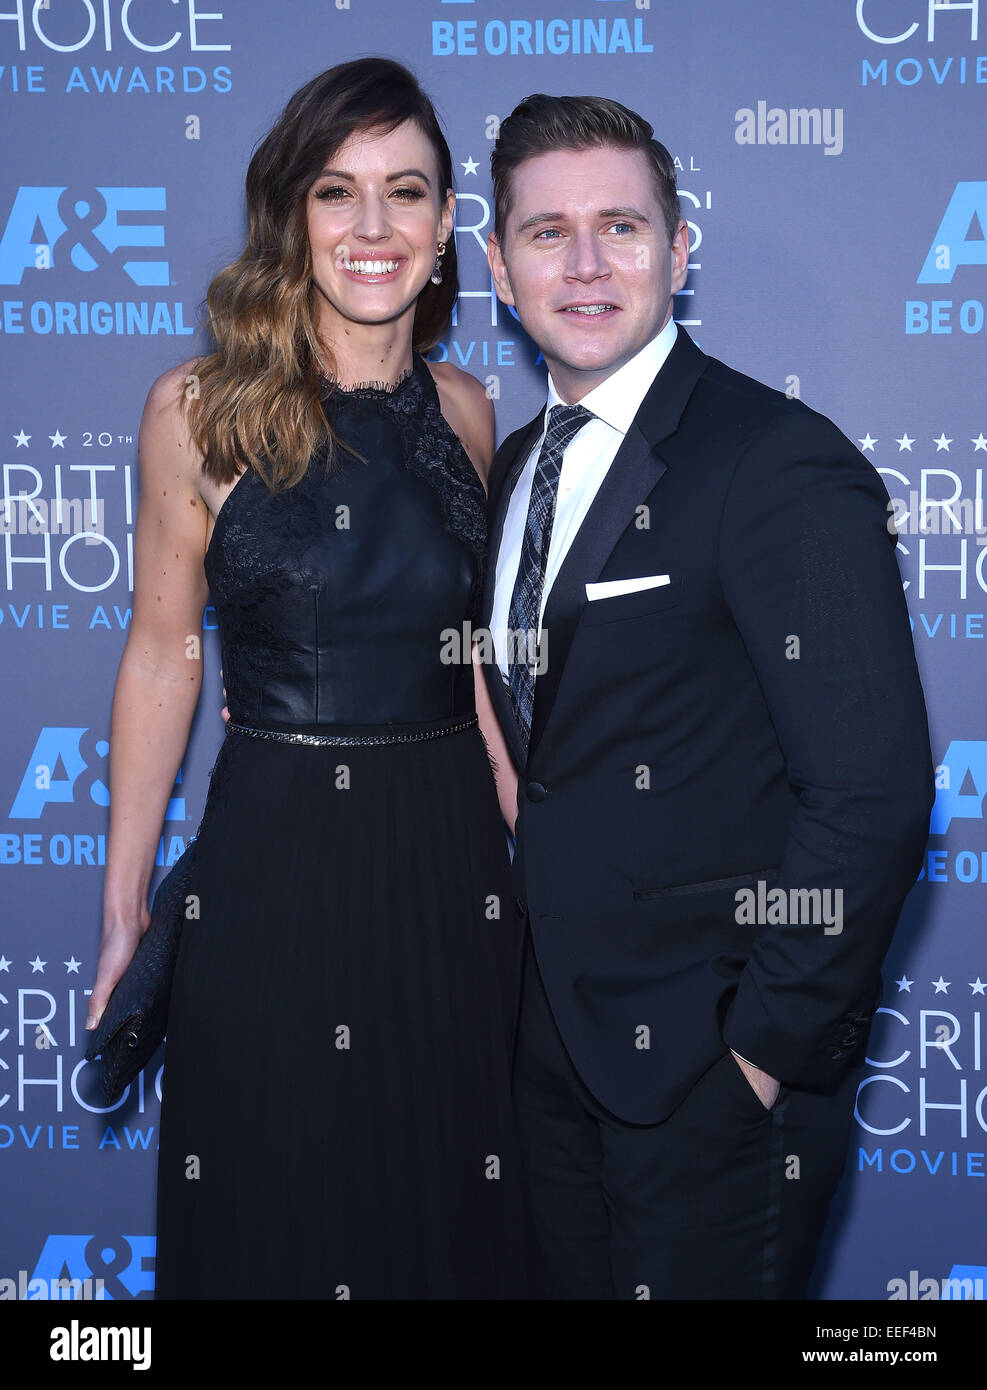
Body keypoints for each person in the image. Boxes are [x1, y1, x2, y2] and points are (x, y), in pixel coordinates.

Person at [86, 57, 529, 1299]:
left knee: (445, 1194)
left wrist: (530, 838)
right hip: (273, 856)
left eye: (406, 192)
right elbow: (165, 652)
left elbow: (485, 661)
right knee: (271, 1191)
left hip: (449, 863)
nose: (373, 228)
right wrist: (127, 907)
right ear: (292, 217)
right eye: (338, 193)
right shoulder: (197, 410)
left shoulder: (474, 412)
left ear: (449, 225)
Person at [479, 93, 934, 1299]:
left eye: (621, 227)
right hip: (548, 1068)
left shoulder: (774, 458)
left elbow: (873, 791)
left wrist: (760, 1061)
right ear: (495, 264)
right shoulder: (520, 464)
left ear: (680, 252)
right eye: (546, 232)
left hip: (709, 1085)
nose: (584, 264)